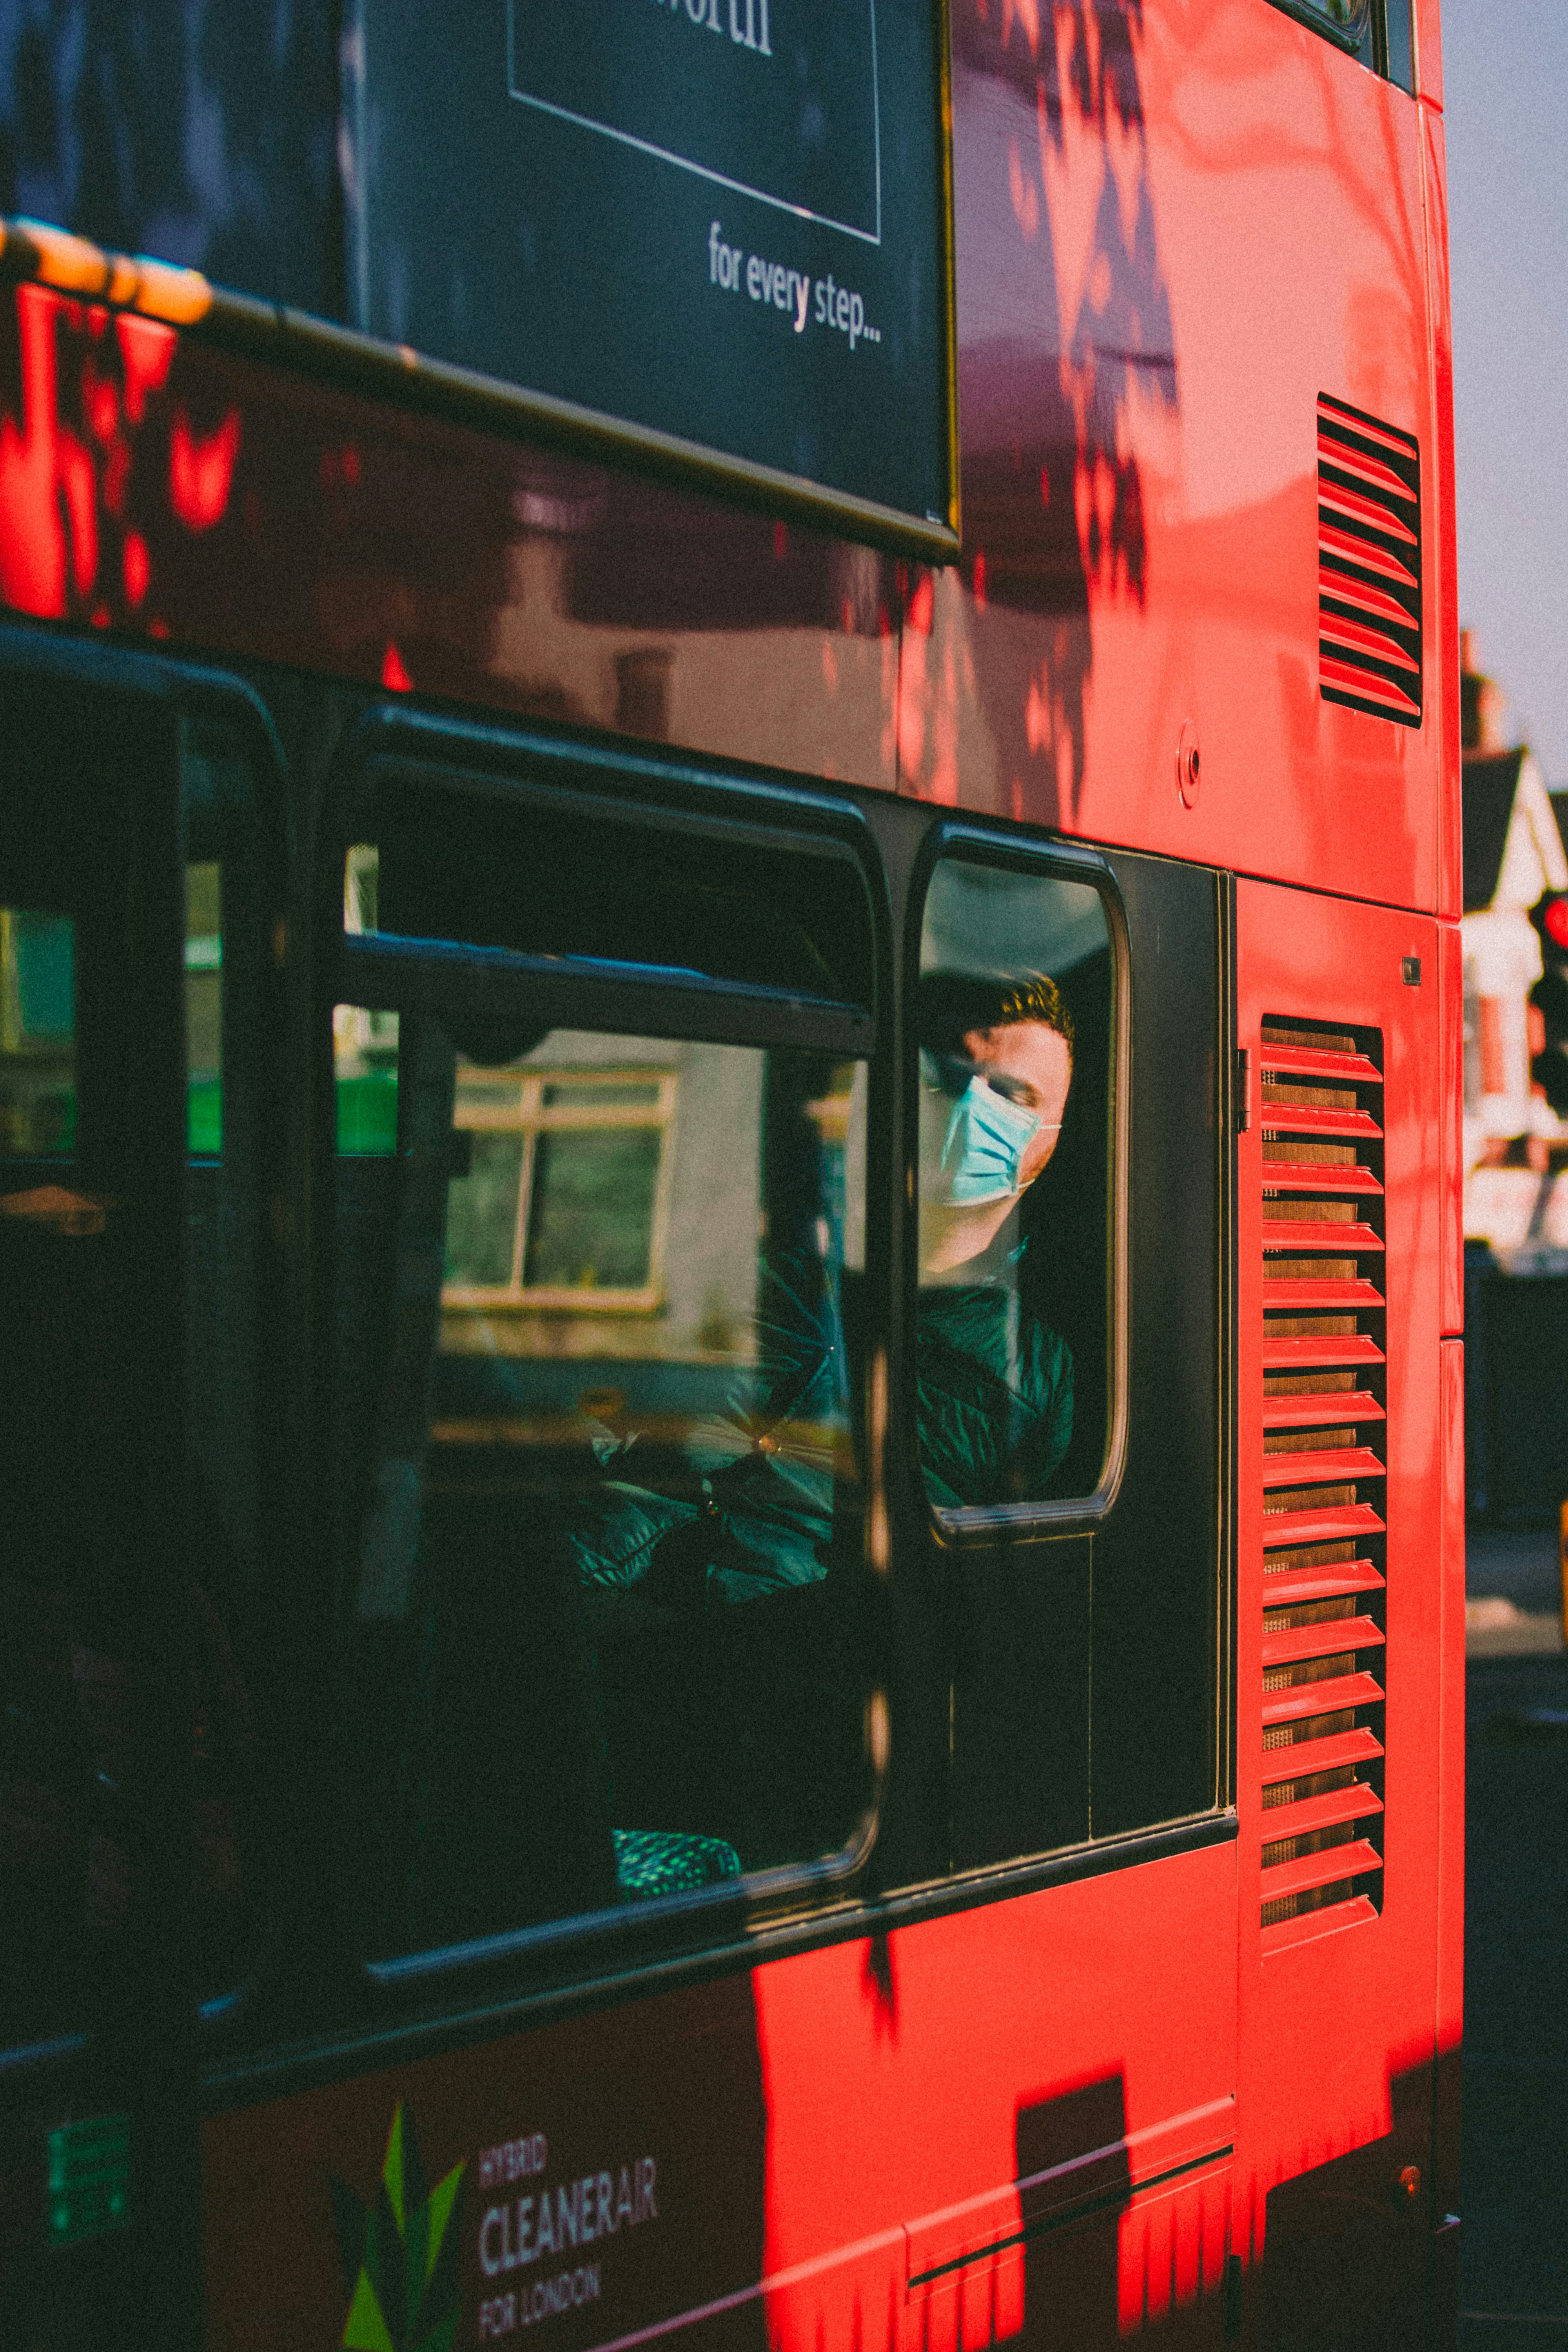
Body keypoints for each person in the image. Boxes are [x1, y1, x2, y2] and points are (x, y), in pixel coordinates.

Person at [566, 969, 1078, 1612]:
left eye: (1014, 1095)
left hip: (778, 1649)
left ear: (1055, 1136)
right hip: (597, 1596)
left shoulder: (1034, 1380)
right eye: (954, 1075)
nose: (974, 1105)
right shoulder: (791, 1256)